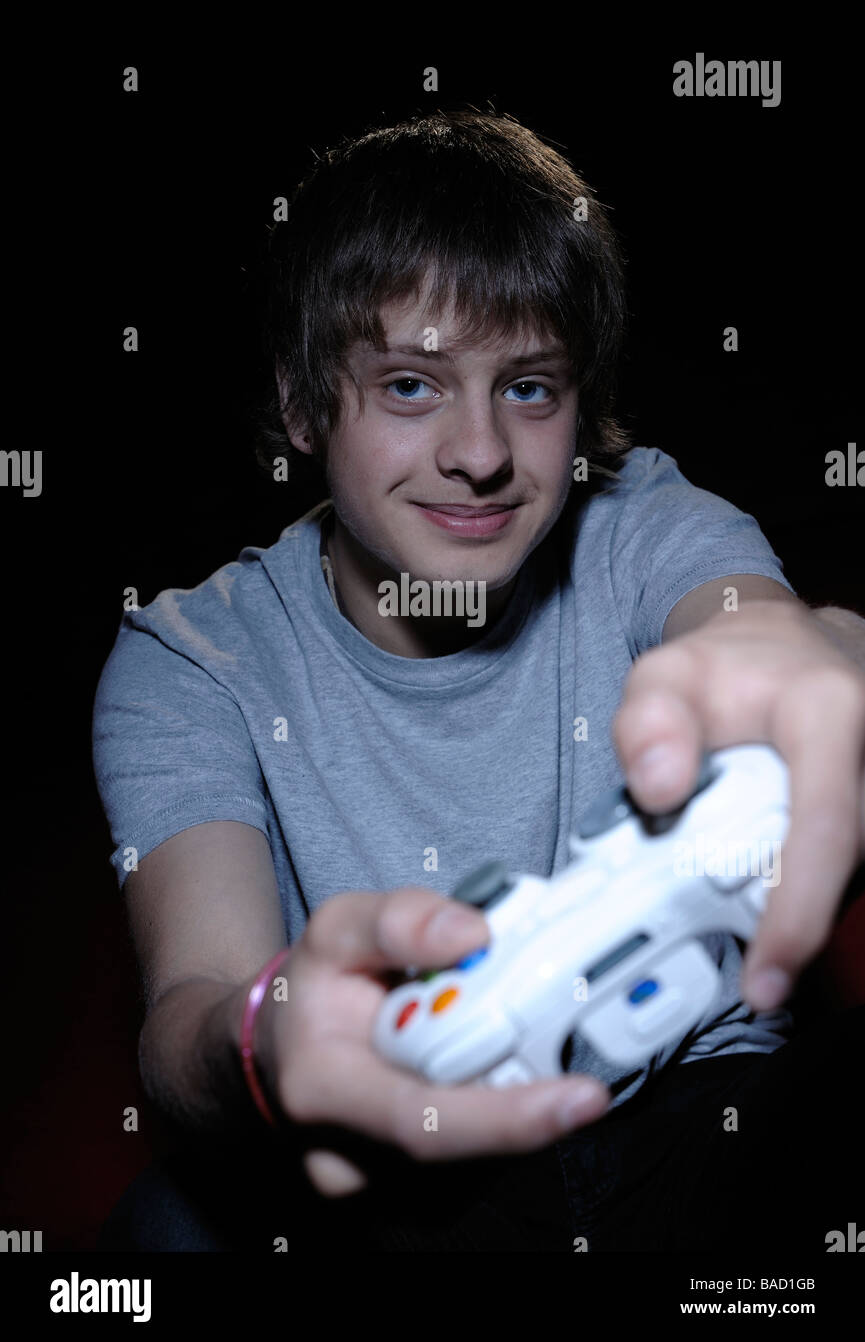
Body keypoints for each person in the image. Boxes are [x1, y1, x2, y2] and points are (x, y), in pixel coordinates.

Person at [92, 108, 865, 1252]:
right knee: (163, 1233)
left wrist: (818, 650)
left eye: (530, 388)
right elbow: (194, 1003)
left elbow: (747, 620)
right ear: (302, 405)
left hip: (695, 1120)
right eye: (411, 385)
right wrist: (267, 1035)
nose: (482, 452)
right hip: (408, 1160)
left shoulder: (641, 520)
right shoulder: (191, 660)